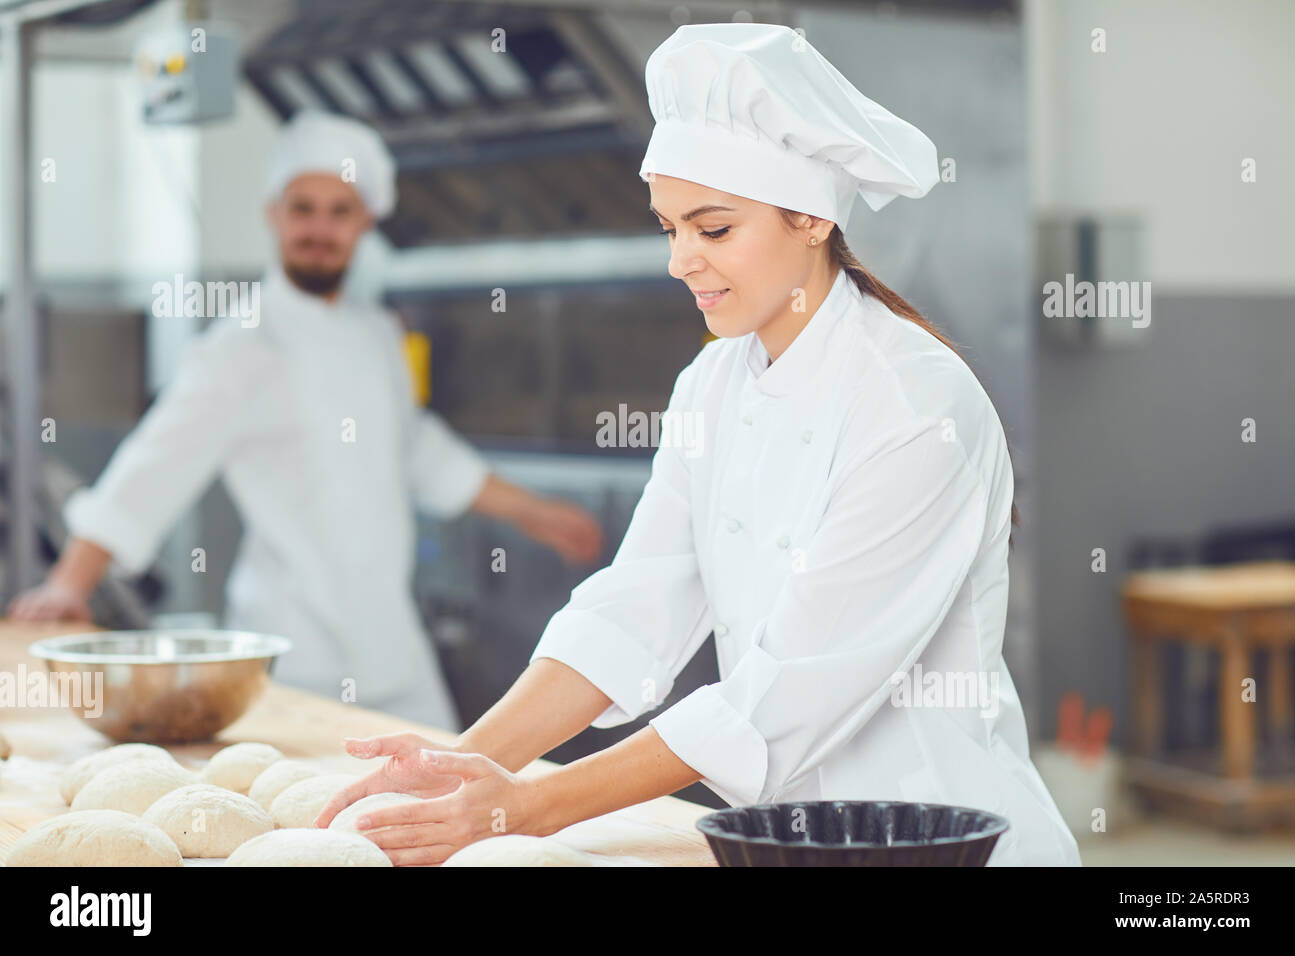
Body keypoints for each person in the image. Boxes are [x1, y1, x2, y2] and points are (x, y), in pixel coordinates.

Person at [315, 23, 1081, 866]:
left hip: (939, 839)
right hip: (789, 844)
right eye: (669, 226)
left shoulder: (914, 408)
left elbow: (782, 697)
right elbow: (635, 611)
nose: (682, 260)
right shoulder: (714, 383)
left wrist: (532, 807)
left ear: (812, 219)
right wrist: (468, 764)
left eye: (713, 230)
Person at [7, 110, 604, 732]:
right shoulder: (242, 347)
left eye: (339, 212)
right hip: (295, 658)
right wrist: (69, 584)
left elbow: (417, 450)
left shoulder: (375, 333)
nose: (319, 229)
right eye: (303, 209)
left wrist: (535, 512)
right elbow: (154, 463)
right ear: (273, 214)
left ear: (365, 223)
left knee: (446, 801)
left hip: (396, 652)